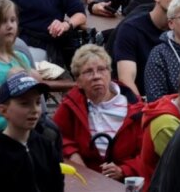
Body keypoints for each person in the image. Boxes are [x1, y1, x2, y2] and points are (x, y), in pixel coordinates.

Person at [52, 44, 140, 180]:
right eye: (88, 72)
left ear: (110, 74)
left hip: (125, 182)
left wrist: (124, 170)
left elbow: (147, 154)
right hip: (84, 181)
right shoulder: (72, 104)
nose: (96, 76)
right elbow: (55, 135)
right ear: (78, 81)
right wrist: (72, 154)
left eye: (101, 69)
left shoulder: (136, 108)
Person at [0, 71, 62, 192]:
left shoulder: (46, 145)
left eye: (38, 102)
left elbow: (57, 184)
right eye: (24, 103)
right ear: (3, 111)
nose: (34, 109)